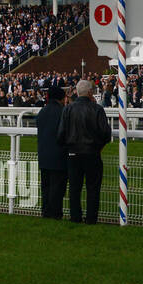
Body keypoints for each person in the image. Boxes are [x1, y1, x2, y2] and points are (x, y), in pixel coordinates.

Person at [58, 79, 112, 224]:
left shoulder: (68, 109)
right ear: (90, 92)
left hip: (73, 153)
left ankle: (75, 217)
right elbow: (106, 134)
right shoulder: (97, 109)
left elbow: (61, 134)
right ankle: (91, 218)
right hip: (92, 153)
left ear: (77, 91)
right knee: (93, 188)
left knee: (74, 188)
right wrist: (98, 147)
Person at [35, 85, 68, 219]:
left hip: (43, 155)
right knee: (57, 188)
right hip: (59, 155)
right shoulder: (63, 111)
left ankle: (46, 212)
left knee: (46, 187)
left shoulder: (42, 111)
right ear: (61, 98)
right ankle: (55, 213)